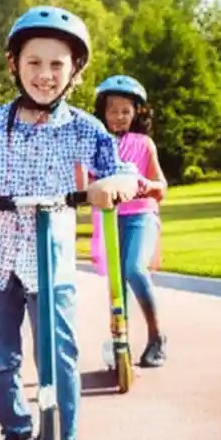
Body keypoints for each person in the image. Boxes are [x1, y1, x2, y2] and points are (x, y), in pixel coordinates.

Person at [0, 5, 140, 440]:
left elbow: (121, 171)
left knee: (58, 354)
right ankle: (16, 436)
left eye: (57, 65)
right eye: (34, 63)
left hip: (49, 261)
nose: (45, 75)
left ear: (74, 71)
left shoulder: (85, 129)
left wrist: (114, 185)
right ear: (14, 65)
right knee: (0, 358)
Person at [85, 74, 168, 367]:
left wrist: (144, 184)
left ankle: (157, 336)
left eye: (125, 111)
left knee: (134, 268)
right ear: (102, 113)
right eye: (112, 111)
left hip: (141, 215)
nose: (119, 117)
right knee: (116, 284)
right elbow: (86, 183)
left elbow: (162, 186)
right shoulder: (96, 144)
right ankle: (121, 341)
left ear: (136, 113)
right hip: (109, 220)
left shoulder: (144, 144)